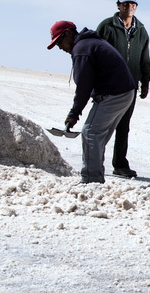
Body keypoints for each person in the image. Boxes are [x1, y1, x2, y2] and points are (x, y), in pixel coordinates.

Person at [47, 20, 137, 185]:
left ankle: (91, 180)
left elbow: (83, 86)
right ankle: (95, 177)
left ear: (69, 33)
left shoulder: (81, 49)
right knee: (97, 137)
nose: (60, 47)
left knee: (90, 133)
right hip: (125, 92)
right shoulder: (89, 43)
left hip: (114, 93)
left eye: (59, 41)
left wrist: (74, 114)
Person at [96, 0, 150, 178]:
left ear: (136, 7)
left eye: (132, 4)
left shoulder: (141, 31)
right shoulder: (106, 27)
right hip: (109, 85)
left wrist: (145, 82)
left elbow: (145, 59)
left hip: (130, 86)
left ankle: (120, 164)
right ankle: (96, 162)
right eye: (125, 4)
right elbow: (96, 54)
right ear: (118, 5)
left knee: (123, 126)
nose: (129, 7)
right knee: (103, 125)